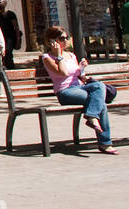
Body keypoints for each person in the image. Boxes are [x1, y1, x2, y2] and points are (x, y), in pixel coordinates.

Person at [42, 25, 117, 154]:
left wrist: (82, 68)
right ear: (51, 41)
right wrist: (59, 55)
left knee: (99, 86)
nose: (65, 41)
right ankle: (105, 142)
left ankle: (92, 116)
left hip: (80, 87)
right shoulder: (47, 58)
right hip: (65, 92)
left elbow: (81, 78)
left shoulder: (71, 55)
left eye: (67, 37)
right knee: (101, 104)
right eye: (62, 38)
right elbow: (64, 73)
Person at [0, 2, 22, 70]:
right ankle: (8, 68)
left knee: (8, 53)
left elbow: (16, 26)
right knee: (4, 54)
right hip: (2, 37)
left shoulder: (10, 14)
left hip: (10, 37)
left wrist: (18, 38)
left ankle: (11, 68)